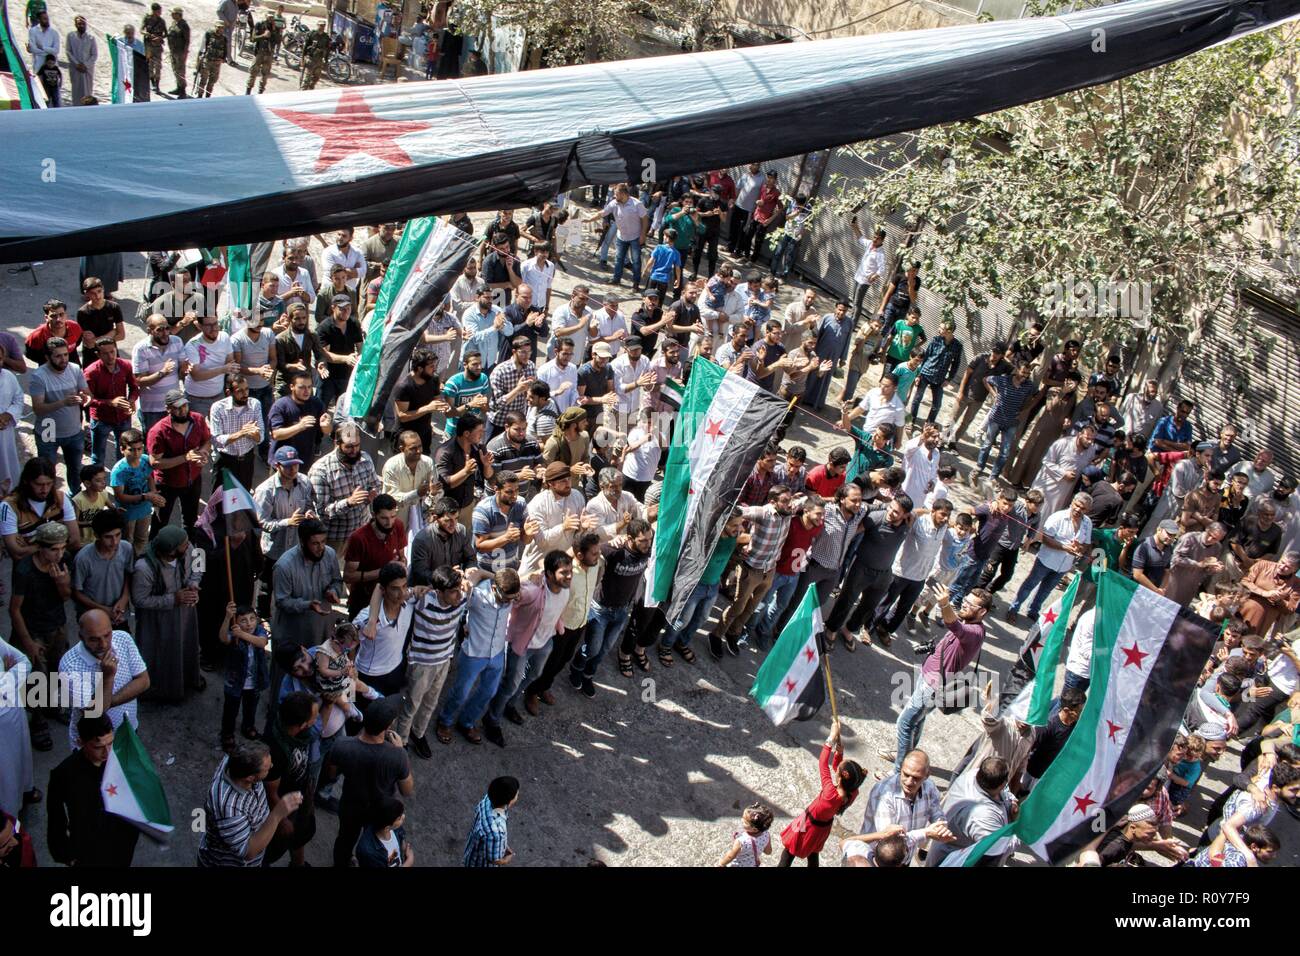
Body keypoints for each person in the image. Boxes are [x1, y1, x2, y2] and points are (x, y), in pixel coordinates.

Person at [888, 587, 990, 772]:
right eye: (964, 600)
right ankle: (906, 754)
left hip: (932, 686)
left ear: (982, 611)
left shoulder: (974, 632)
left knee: (905, 723)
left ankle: (899, 772)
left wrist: (944, 604)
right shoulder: (968, 621)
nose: (964, 605)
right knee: (917, 721)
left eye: (970, 604)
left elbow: (953, 625)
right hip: (928, 677)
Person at [320, 695, 414, 867]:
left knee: (345, 840)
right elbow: (407, 790)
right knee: (375, 847)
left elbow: (331, 774)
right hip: (380, 810)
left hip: (351, 806)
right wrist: (401, 751)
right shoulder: (397, 755)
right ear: (388, 727)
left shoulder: (342, 745)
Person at [46, 715, 142, 867]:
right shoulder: (63, 774)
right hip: (86, 848)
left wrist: (130, 837)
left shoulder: (122, 762)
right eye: (98, 747)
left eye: (110, 743)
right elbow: (56, 820)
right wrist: (65, 855)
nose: (107, 752)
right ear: (80, 742)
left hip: (120, 844)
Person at [198, 742, 303, 866]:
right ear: (250, 778)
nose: (272, 766)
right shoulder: (229, 809)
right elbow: (248, 852)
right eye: (267, 768)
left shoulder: (235, 763)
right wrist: (277, 815)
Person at [778, 718, 864, 867]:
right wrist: (839, 752)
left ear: (843, 776)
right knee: (813, 853)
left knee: (789, 852)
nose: (836, 767)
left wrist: (831, 737)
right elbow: (837, 767)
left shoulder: (830, 794)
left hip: (807, 825)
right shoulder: (852, 792)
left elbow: (823, 763)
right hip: (822, 829)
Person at [131, 525, 203, 702]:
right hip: (158, 621)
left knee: (186, 646)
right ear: (171, 551)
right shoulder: (144, 568)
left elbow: (199, 561)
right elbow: (139, 600)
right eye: (184, 545)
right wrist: (173, 599)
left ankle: (188, 679)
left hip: (185, 615)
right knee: (160, 654)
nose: (188, 546)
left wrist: (194, 584)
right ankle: (159, 690)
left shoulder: (188, 548)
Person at [842, 750, 950, 866]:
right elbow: (890, 841)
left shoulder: (929, 787)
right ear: (901, 768)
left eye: (916, 778)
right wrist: (926, 833)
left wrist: (940, 826)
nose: (909, 782)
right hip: (881, 860)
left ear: (927, 775)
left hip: (903, 857)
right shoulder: (884, 793)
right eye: (906, 774)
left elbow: (936, 811)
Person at [1008, 492, 1093, 623]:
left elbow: (1086, 543)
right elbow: (1046, 539)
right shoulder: (1058, 517)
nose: (1078, 509)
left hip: (1064, 566)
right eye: (1077, 505)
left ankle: (1033, 610)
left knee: (1046, 590)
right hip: (1046, 560)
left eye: (1083, 508)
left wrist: (1079, 548)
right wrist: (1064, 547)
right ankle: (1014, 608)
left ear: (1087, 510)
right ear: (1072, 502)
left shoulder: (1087, 523)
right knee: (1030, 585)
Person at [30, 337, 90, 495]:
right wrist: (63, 402)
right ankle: (49, 500)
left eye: (65, 354)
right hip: (48, 430)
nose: (63, 359)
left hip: (74, 430)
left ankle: (75, 498)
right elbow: (38, 408)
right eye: (58, 356)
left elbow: (87, 393)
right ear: (47, 357)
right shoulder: (39, 376)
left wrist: (85, 398)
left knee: (76, 469)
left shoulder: (75, 369)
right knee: (47, 472)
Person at [464, 775, 519, 867]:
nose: (517, 795)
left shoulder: (487, 799)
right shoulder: (497, 831)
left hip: (472, 850)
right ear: (509, 801)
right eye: (516, 794)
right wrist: (506, 860)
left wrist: (502, 844)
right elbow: (494, 860)